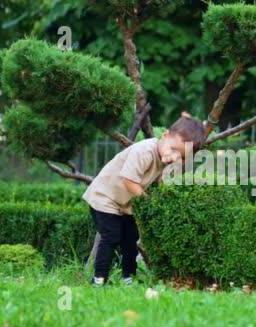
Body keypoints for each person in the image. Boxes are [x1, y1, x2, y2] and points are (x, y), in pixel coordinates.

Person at [83, 113, 206, 285]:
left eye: (182, 156)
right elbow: (129, 180)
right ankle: (99, 279)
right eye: (173, 150)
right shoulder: (145, 151)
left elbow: (160, 180)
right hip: (105, 196)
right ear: (164, 136)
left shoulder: (164, 157)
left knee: (130, 239)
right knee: (111, 236)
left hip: (124, 203)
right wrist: (148, 202)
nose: (174, 157)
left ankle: (128, 277)